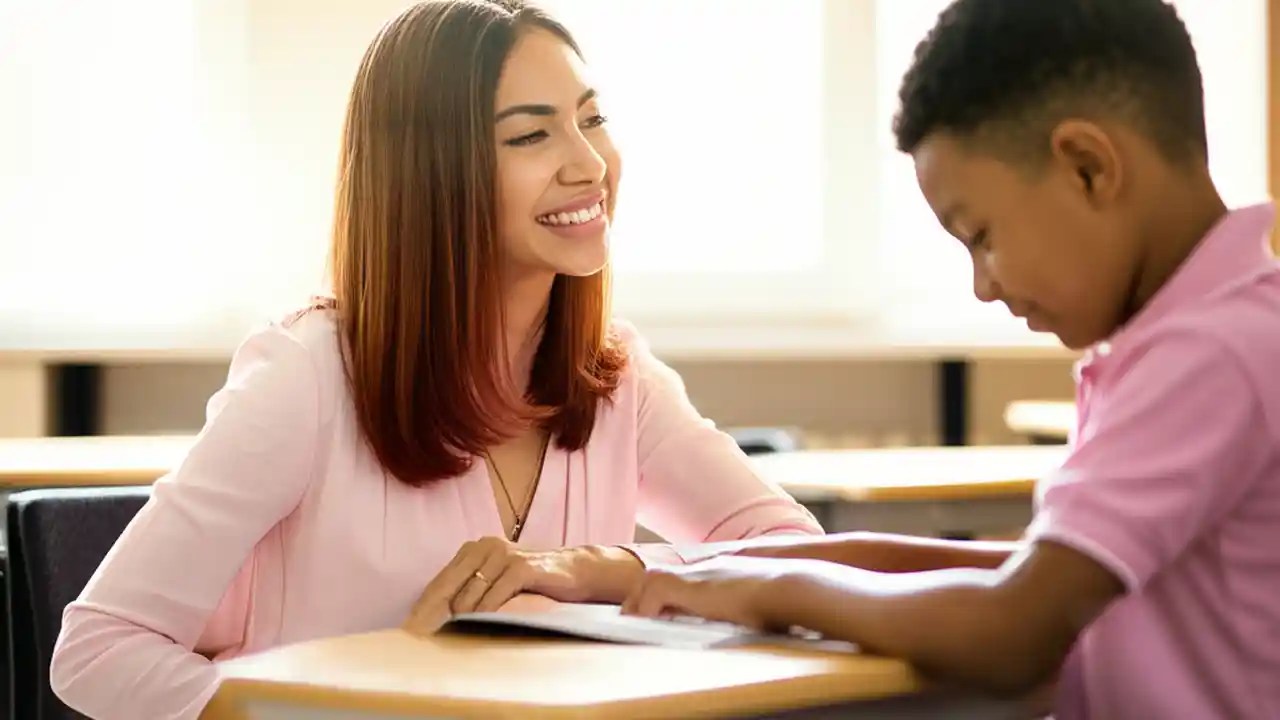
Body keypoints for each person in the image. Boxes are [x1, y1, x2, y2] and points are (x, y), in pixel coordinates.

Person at [49, 2, 821, 718]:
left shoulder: (616, 377)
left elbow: (800, 558)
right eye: (531, 135)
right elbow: (98, 648)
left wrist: (607, 568)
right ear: (431, 171)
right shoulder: (310, 374)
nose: (589, 164)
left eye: (593, 119)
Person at [622, 1, 1280, 717]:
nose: (983, 284)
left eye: (982, 235)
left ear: (1088, 167)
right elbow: (1028, 576)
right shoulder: (1227, 328)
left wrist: (772, 594)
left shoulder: (1202, 355)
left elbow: (1015, 628)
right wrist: (754, 567)